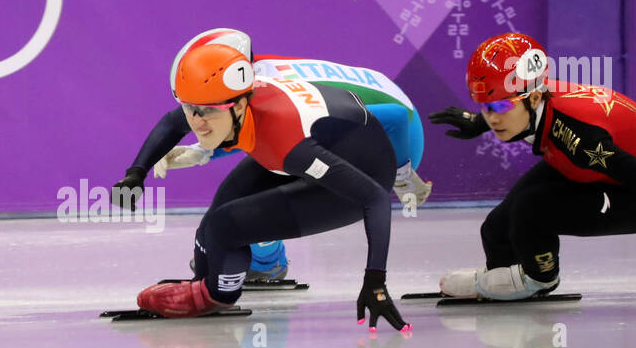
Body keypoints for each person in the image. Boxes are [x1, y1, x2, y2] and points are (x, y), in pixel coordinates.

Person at [112, 28, 411, 330]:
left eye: (208, 113)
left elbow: (374, 197)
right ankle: (205, 281)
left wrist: (375, 281)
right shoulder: (223, 101)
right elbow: (171, 123)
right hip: (325, 141)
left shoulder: (286, 142)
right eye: (190, 109)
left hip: (363, 171)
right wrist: (136, 174)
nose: (198, 123)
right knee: (211, 225)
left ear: (241, 107)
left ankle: (216, 295)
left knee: (225, 226)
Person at [426, 32, 636, 314]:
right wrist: (477, 122)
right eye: (486, 107)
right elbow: (509, 103)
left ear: (536, 97)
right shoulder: (534, 95)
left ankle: (540, 277)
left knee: (531, 209)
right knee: (495, 228)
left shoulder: (580, 139)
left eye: (502, 107)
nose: (493, 118)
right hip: (594, 167)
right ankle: (505, 277)